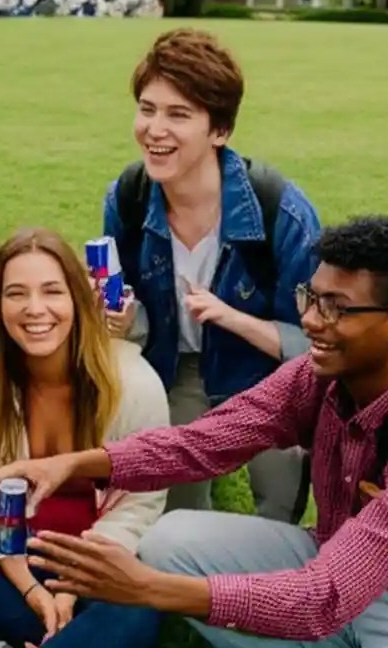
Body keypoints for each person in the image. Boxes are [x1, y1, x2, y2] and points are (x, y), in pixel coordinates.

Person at [0, 216, 388, 648]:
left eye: (336, 308)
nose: (312, 321)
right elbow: (204, 443)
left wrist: (148, 589)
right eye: (310, 297)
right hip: (330, 560)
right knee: (170, 539)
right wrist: (72, 464)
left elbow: (325, 595)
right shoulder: (318, 376)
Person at [101, 27, 322, 520]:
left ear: (219, 131)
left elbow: (315, 347)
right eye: (147, 108)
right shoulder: (129, 199)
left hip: (271, 377)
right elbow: (132, 321)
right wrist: (117, 318)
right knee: (173, 524)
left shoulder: (281, 213)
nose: (155, 129)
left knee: (279, 514)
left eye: (178, 114)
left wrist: (231, 318)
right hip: (176, 368)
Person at [0, 228, 167, 647]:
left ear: (78, 299)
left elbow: (141, 504)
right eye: (16, 294)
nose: (35, 309)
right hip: (9, 554)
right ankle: (49, 627)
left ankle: (23, 633)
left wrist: (73, 584)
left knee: (141, 600)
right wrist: (31, 588)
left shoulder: (135, 384)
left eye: (52, 292)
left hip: (98, 555)